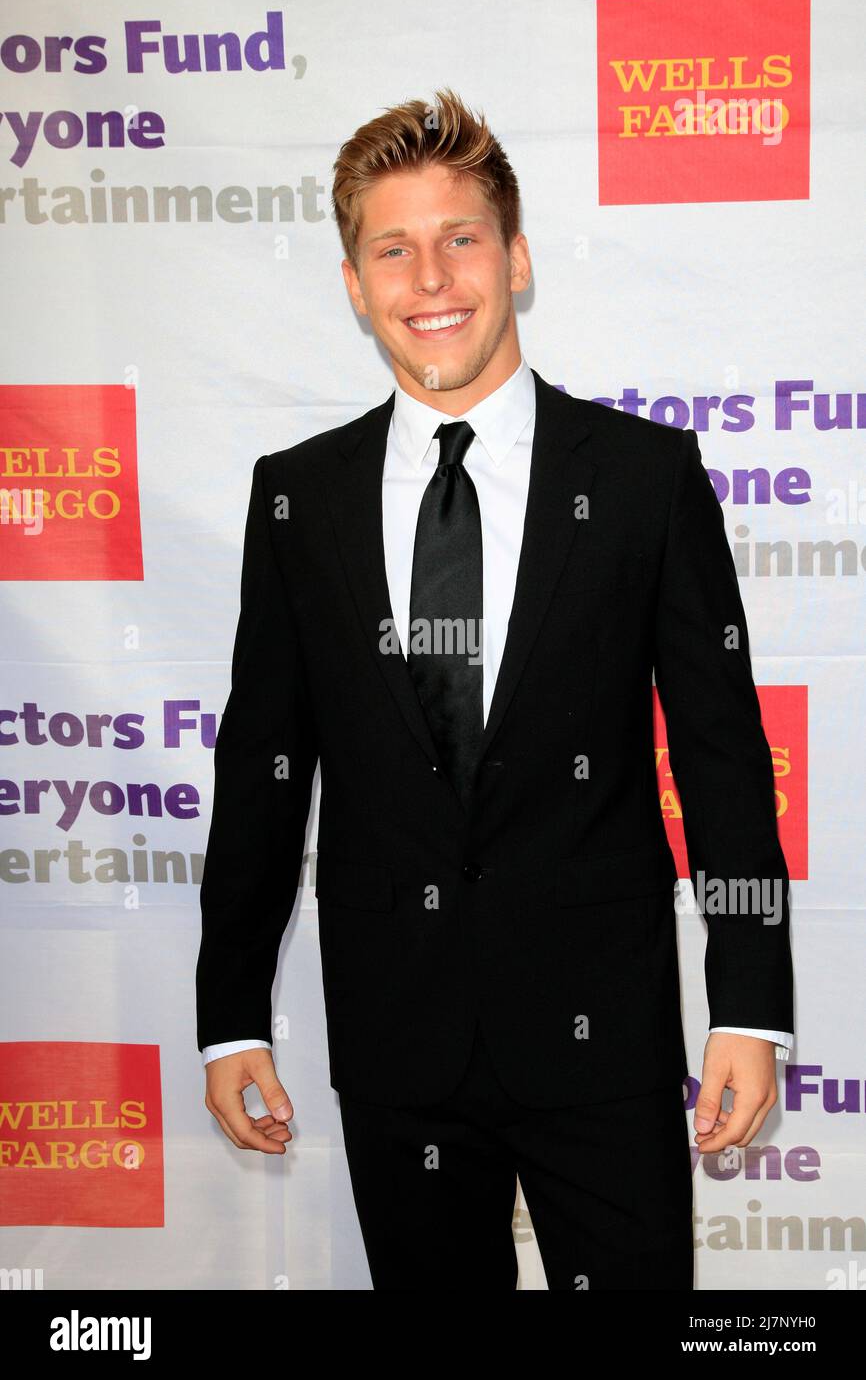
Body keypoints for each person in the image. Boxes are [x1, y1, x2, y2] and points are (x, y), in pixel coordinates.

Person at [196, 88, 794, 1290]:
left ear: (514, 259)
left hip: (602, 1041)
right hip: (396, 1043)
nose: (430, 276)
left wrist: (748, 1004)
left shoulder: (640, 477)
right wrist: (231, 1014)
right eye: (391, 248)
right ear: (356, 285)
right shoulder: (295, 498)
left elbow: (723, 757)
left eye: (459, 237)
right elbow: (261, 773)